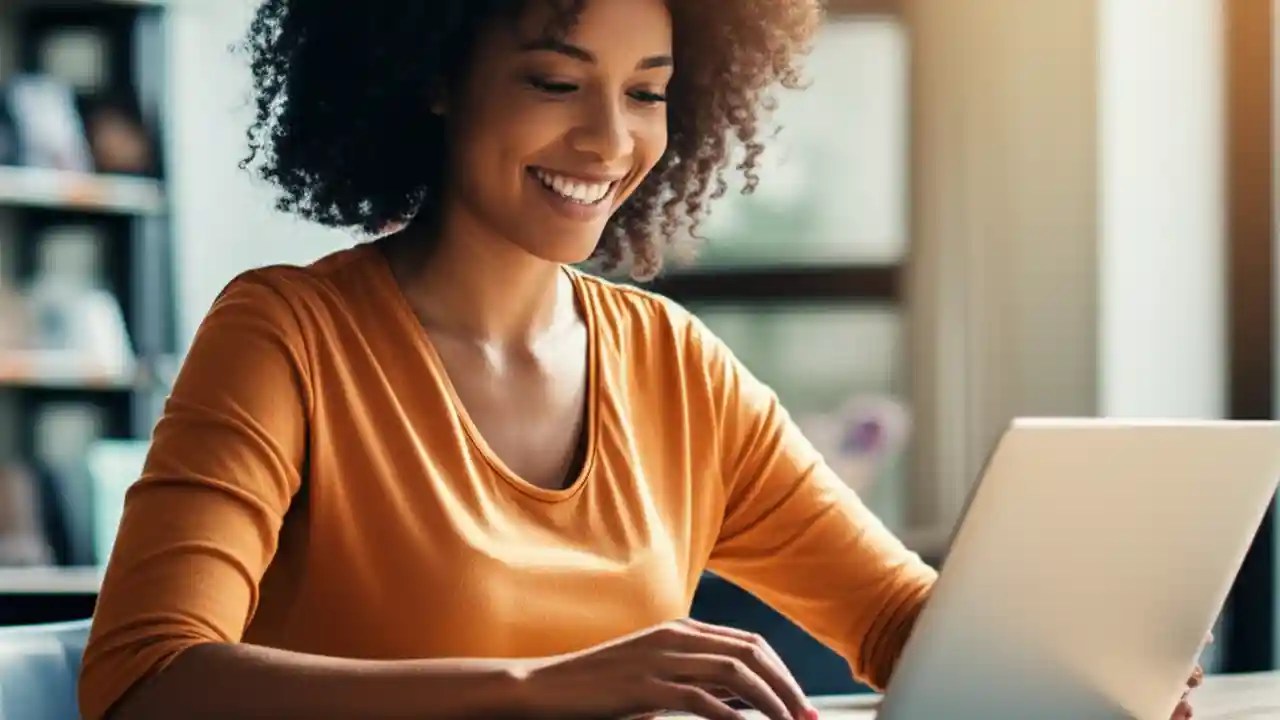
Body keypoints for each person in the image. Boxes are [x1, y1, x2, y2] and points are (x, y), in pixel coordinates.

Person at [77, 1, 1204, 718]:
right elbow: (145, 681)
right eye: (555, 82)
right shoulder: (287, 335)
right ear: (430, 75)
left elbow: (896, 624)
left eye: (647, 92)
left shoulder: (674, 367)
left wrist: (1080, 674)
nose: (609, 141)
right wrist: (538, 690)